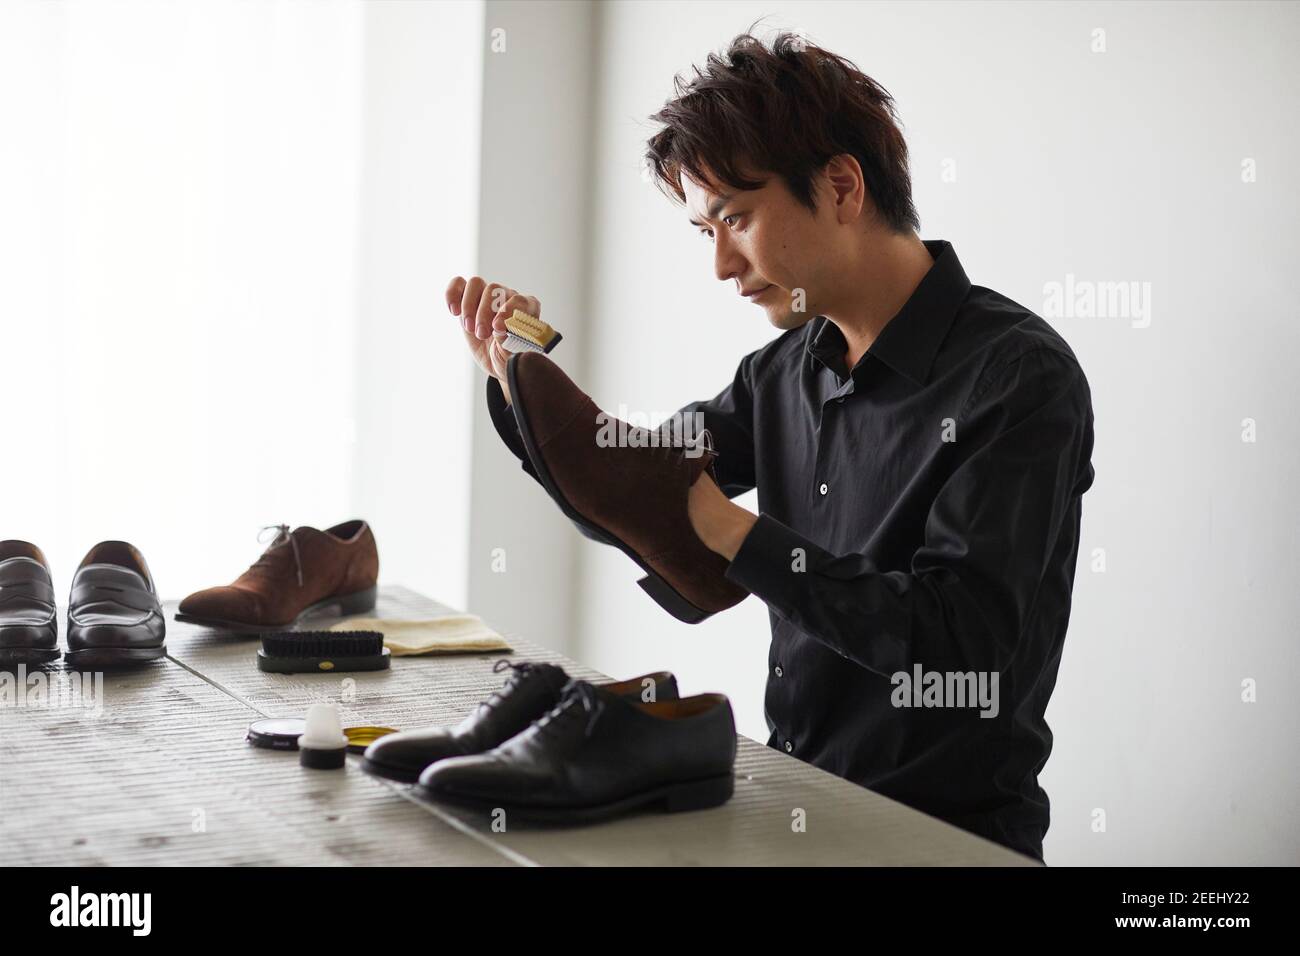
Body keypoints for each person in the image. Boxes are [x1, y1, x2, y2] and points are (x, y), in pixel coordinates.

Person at [446, 31, 1095, 863]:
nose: (721, 264)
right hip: (791, 809)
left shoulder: (1018, 378)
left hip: (949, 842)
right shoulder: (783, 370)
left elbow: (961, 644)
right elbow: (630, 494)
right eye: (703, 231)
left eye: (737, 219)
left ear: (841, 186)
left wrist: (735, 534)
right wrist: (516, 377)